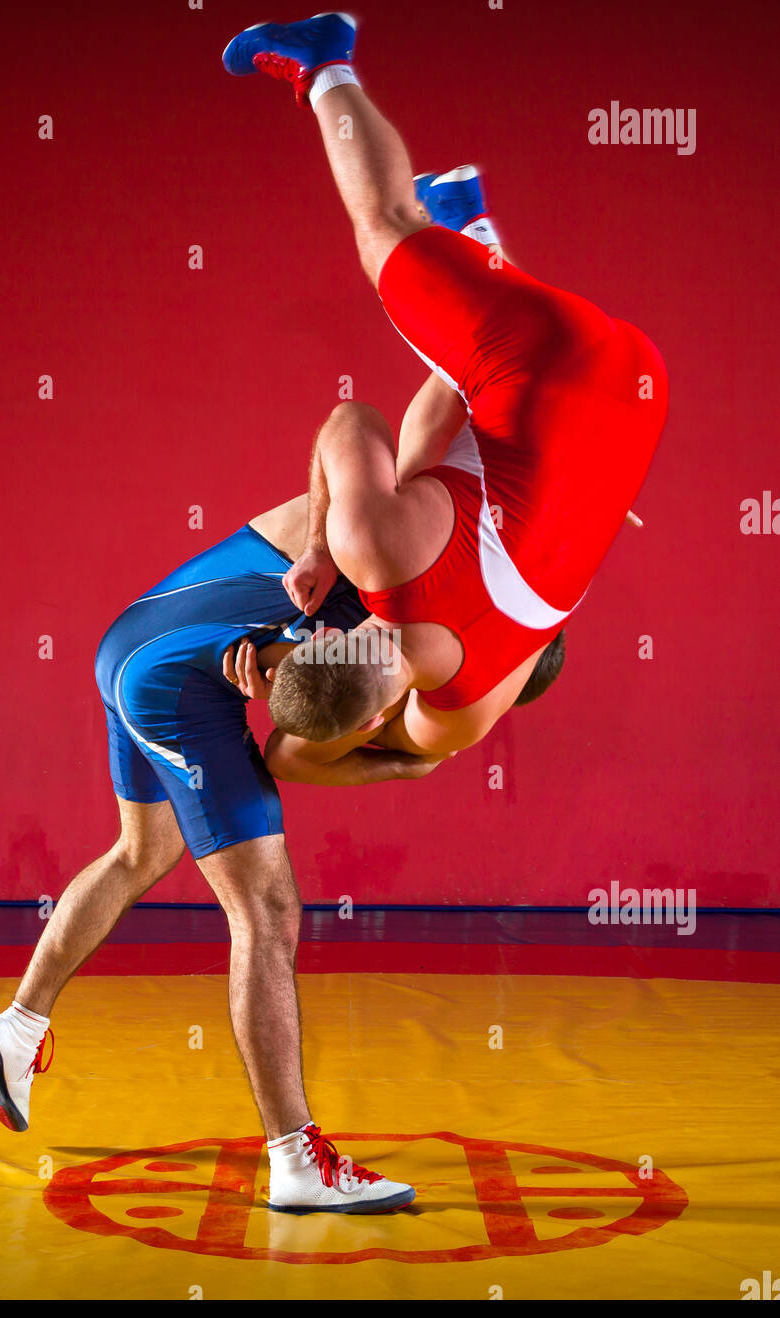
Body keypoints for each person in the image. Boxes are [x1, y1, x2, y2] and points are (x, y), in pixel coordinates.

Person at [222, 13, 668, 779]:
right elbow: (350, 419)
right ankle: (323, 61)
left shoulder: (460, 718)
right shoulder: (378, 553)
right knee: (386, 226)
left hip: (636, 403)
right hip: (553, 359)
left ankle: (476, 233)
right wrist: (321, 548)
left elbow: (321, 763)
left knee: (440, 458)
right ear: (327, 636)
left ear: (373, 720)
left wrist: (341, 717)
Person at [0, 495, 432, 1213]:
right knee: (267, 910)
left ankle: (17, 1028)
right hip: (175, 687)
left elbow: (340, 441)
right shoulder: (405, 597)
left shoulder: (380, 509)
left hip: (130, 643)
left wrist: (304, 578)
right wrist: (396, 763)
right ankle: (294, 1158)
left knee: (141, 851)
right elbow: (289, 754)